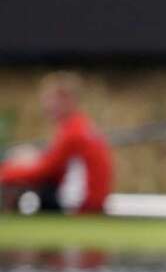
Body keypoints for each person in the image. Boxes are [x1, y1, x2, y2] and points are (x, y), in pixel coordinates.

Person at [0, 72, 112, 214]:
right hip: (86, 202)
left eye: (49, 99)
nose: (45, 105)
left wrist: (5, 172)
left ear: (67, 100)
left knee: (22, 175)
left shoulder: (74, 132)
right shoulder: (80, 126)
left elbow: (44, 170)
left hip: (80, 206)